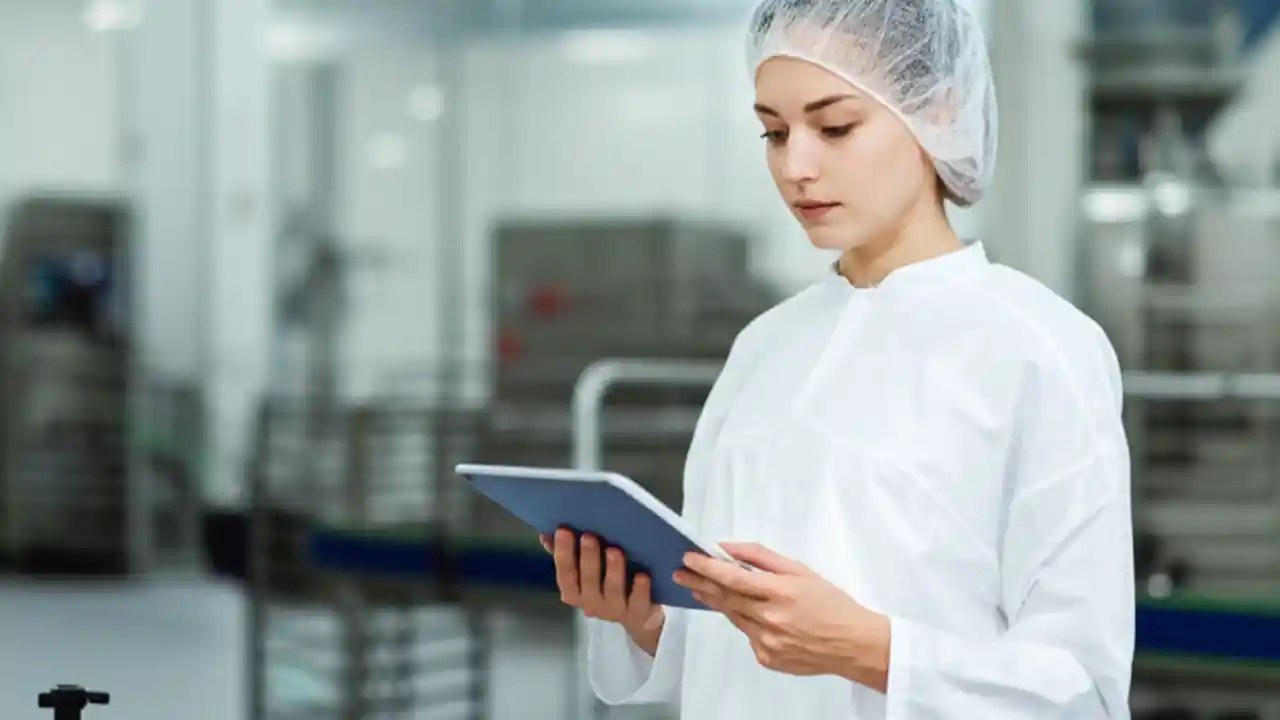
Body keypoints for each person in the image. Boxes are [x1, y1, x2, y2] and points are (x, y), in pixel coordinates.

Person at [540, 0, 1135, 717]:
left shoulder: (1038, 349)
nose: (796, 166)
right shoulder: (766, 346)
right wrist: (641, 620)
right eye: (774, 131)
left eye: (835, 127)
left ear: (938, 109)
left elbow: (1083, 689)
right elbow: (716, 649)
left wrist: (873, 650)